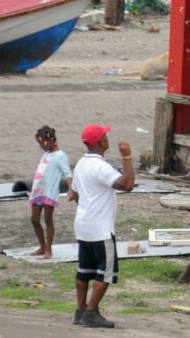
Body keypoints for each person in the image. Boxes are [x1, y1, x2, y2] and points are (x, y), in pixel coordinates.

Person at [67, 124, 134, 328]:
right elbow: (127, 185)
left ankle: (80, 310)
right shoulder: (100, 166)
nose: (107, 138)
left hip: (83, 224)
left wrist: (89, 208)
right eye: (105, 135)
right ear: (100, 142)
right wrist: (127, 157)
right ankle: (91, 311)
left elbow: (74, 194)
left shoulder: (81, 164)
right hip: (101, 229)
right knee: (106, 271)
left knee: (84, 270)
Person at [28, 125, 73, 259]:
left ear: (52, 139)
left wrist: (71, 189)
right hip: (38, 190)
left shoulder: (60, 156)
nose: (41, 146)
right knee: (34, 219)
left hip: (49, 192)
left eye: (42, 143)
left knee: (48, 220)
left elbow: (67, 174)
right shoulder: (46, 154)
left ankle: (48, 249)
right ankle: (42, 246)